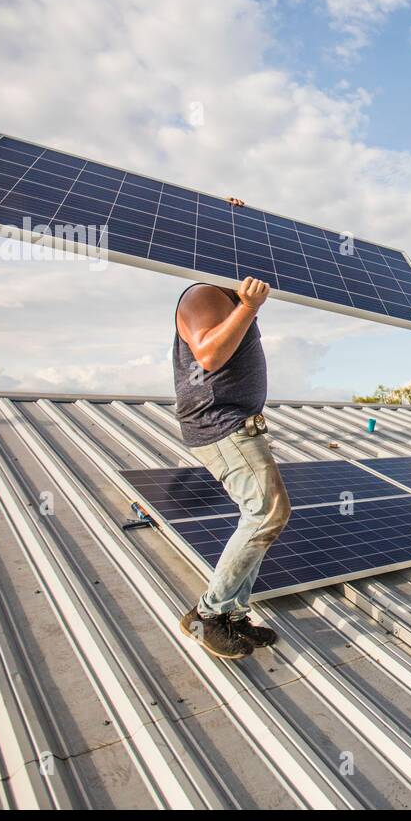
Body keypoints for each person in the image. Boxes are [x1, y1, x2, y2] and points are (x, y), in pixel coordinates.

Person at [172, 276, 289, 660]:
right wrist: (249, 307)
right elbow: (208, 355)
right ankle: (207, 614)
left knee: (263, 515)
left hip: (238, 423)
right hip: (220, 424)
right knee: (267, 514)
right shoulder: (201, 295)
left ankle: (233, 615)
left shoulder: (229, 298)